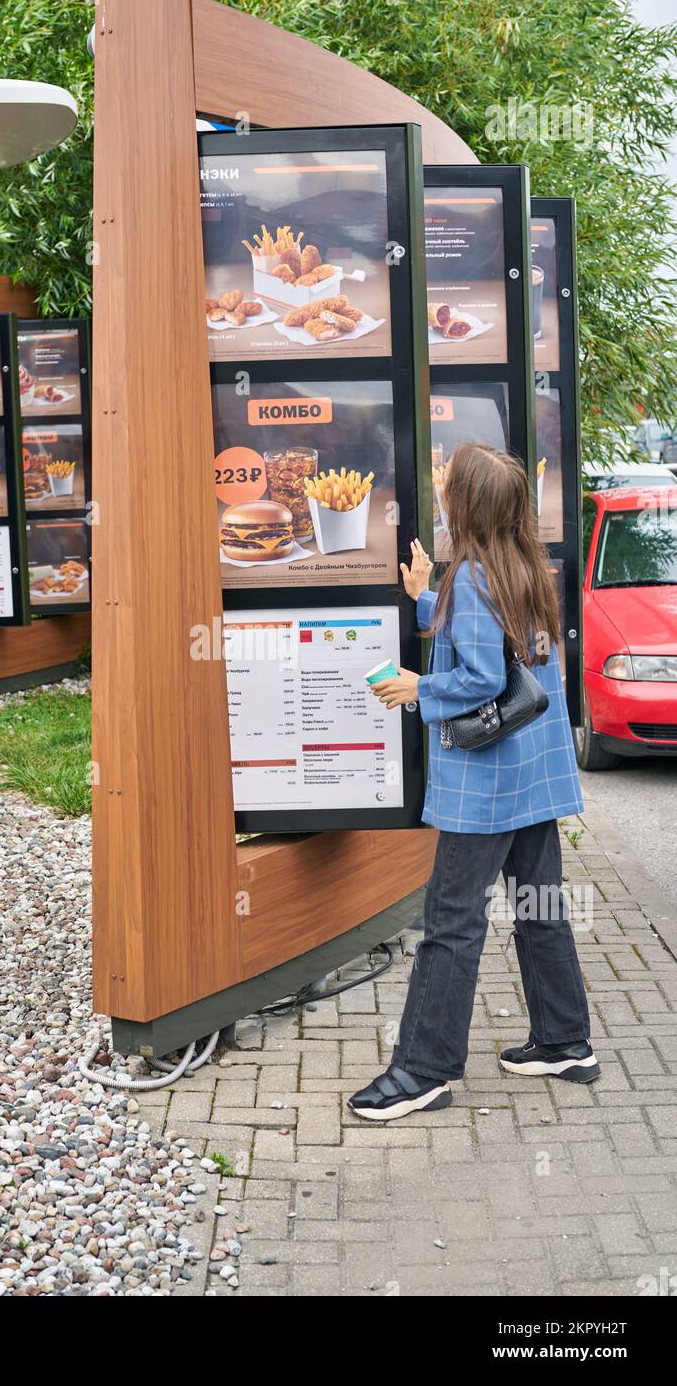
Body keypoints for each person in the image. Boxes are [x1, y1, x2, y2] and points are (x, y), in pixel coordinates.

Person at [349, 443, 597, 1123]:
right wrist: (424, 594)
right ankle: (564, 1041)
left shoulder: (474, 580)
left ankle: (422, 1071)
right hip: (535, 778)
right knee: (541, 908)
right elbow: (491, 637)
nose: (443, 493)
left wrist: (416, 686)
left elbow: (481, 678)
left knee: (450, 925)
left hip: (484, 787)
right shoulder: (525, 570)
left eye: (449, 487)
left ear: (466, 506)